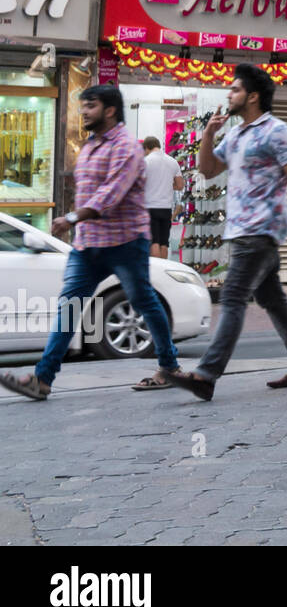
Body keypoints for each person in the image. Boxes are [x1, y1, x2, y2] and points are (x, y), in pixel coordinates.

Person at [0, 85, 180, 399]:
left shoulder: (127, 147)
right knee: (69, 307)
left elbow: (109, 196)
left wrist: (69, 219)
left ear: (109, 110)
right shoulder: (91, 145)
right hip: (87, 246)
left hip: (126, 242)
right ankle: (42, 379)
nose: (84, 111)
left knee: (143, 301)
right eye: (83, 106)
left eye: (90, 106)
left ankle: (169, 366)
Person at [168, 64, 287, 401]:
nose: (229, 94)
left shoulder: (277, 131)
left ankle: (206, 374)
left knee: (232, 298)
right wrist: (209, 134)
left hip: (260, 229)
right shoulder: (237, 134)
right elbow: (208, 170)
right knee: (271, 298)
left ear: (253, 97)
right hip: (240, 229)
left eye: (235, 89)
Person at [142, 136, 183, 258]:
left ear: (147, 148)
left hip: (150, 207)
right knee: (164, 243)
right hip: (166, 208)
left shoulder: (145, 161)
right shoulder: (172, 161)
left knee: (154, 242)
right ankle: (164, 272)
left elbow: (139, 185)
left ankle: (156, 273)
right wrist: (168, 185)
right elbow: (180, 185)